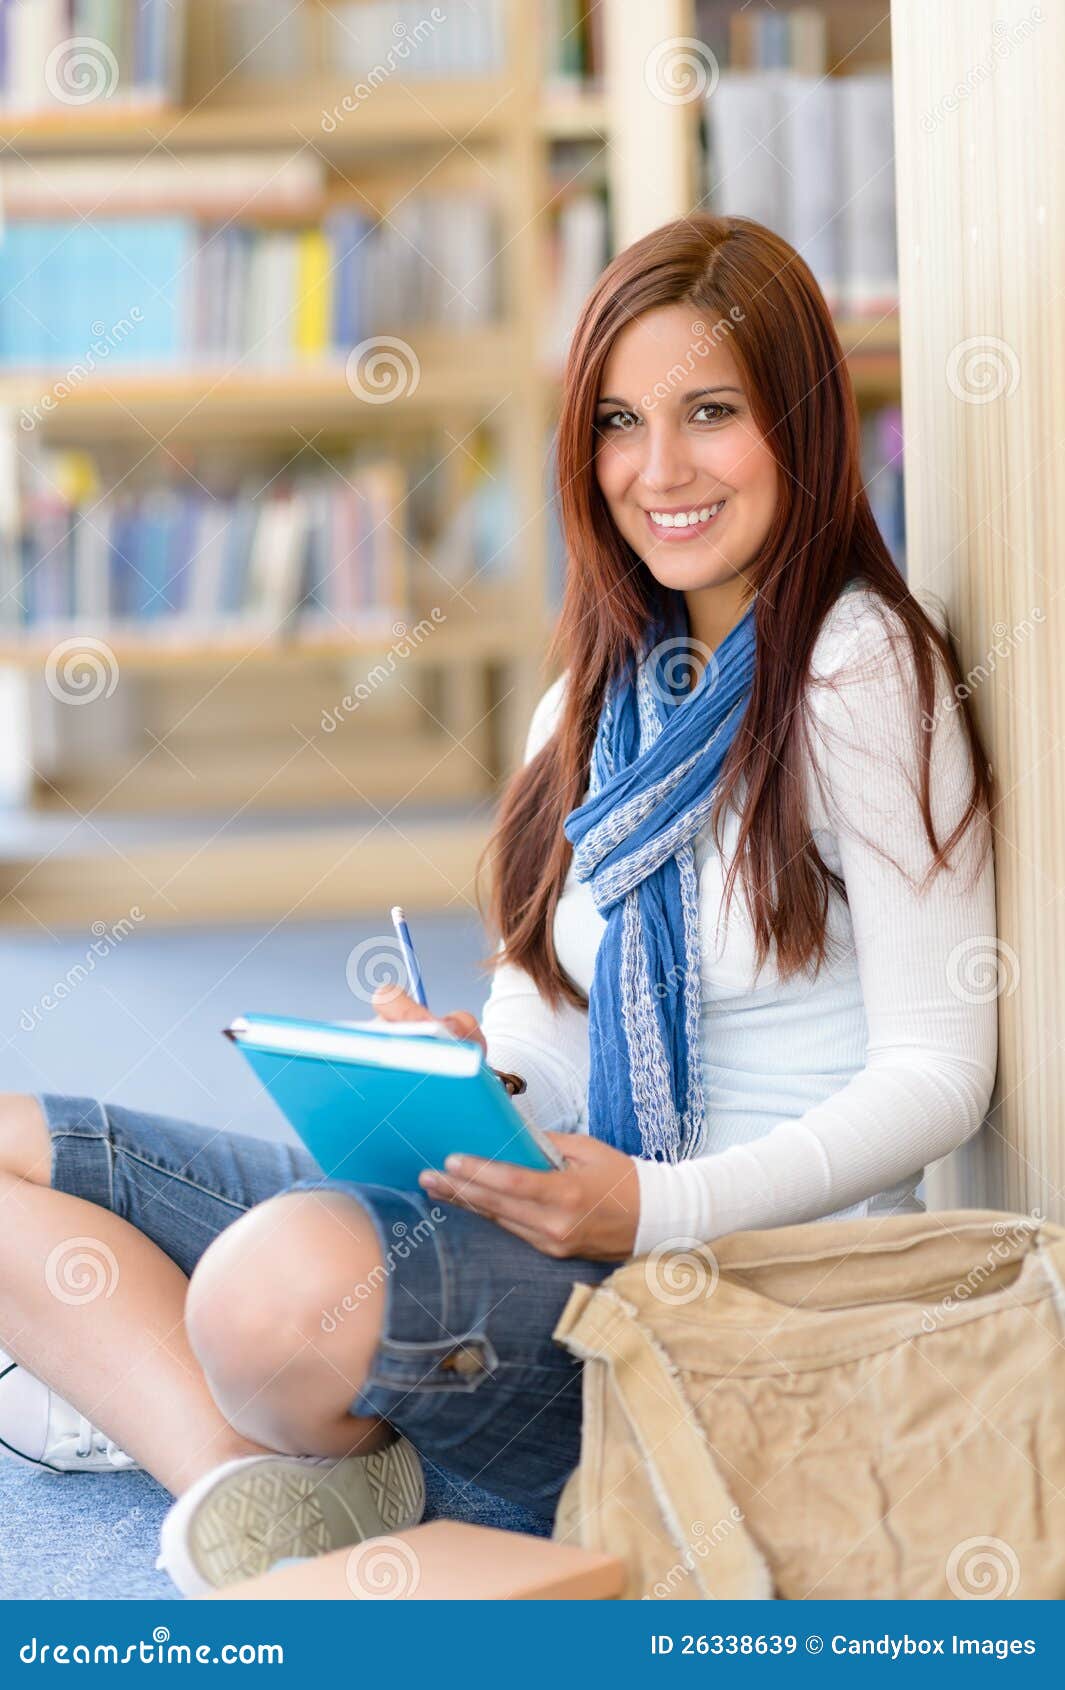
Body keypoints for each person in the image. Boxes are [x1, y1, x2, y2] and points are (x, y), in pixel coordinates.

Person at [0, 213, 998, 1597]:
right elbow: (547, 1008)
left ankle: (231, 1411)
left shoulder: (858, 668)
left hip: (721, 1292)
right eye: (616, 422)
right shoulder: (587, 692)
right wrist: (466, 1069)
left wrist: (649, 1205)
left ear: (802, 425)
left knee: (266, 1294)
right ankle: (251, 1483)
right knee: (7, 1155)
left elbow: (942, 1074)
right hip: (554, 1205)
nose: (659, 470)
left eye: (710, 414)